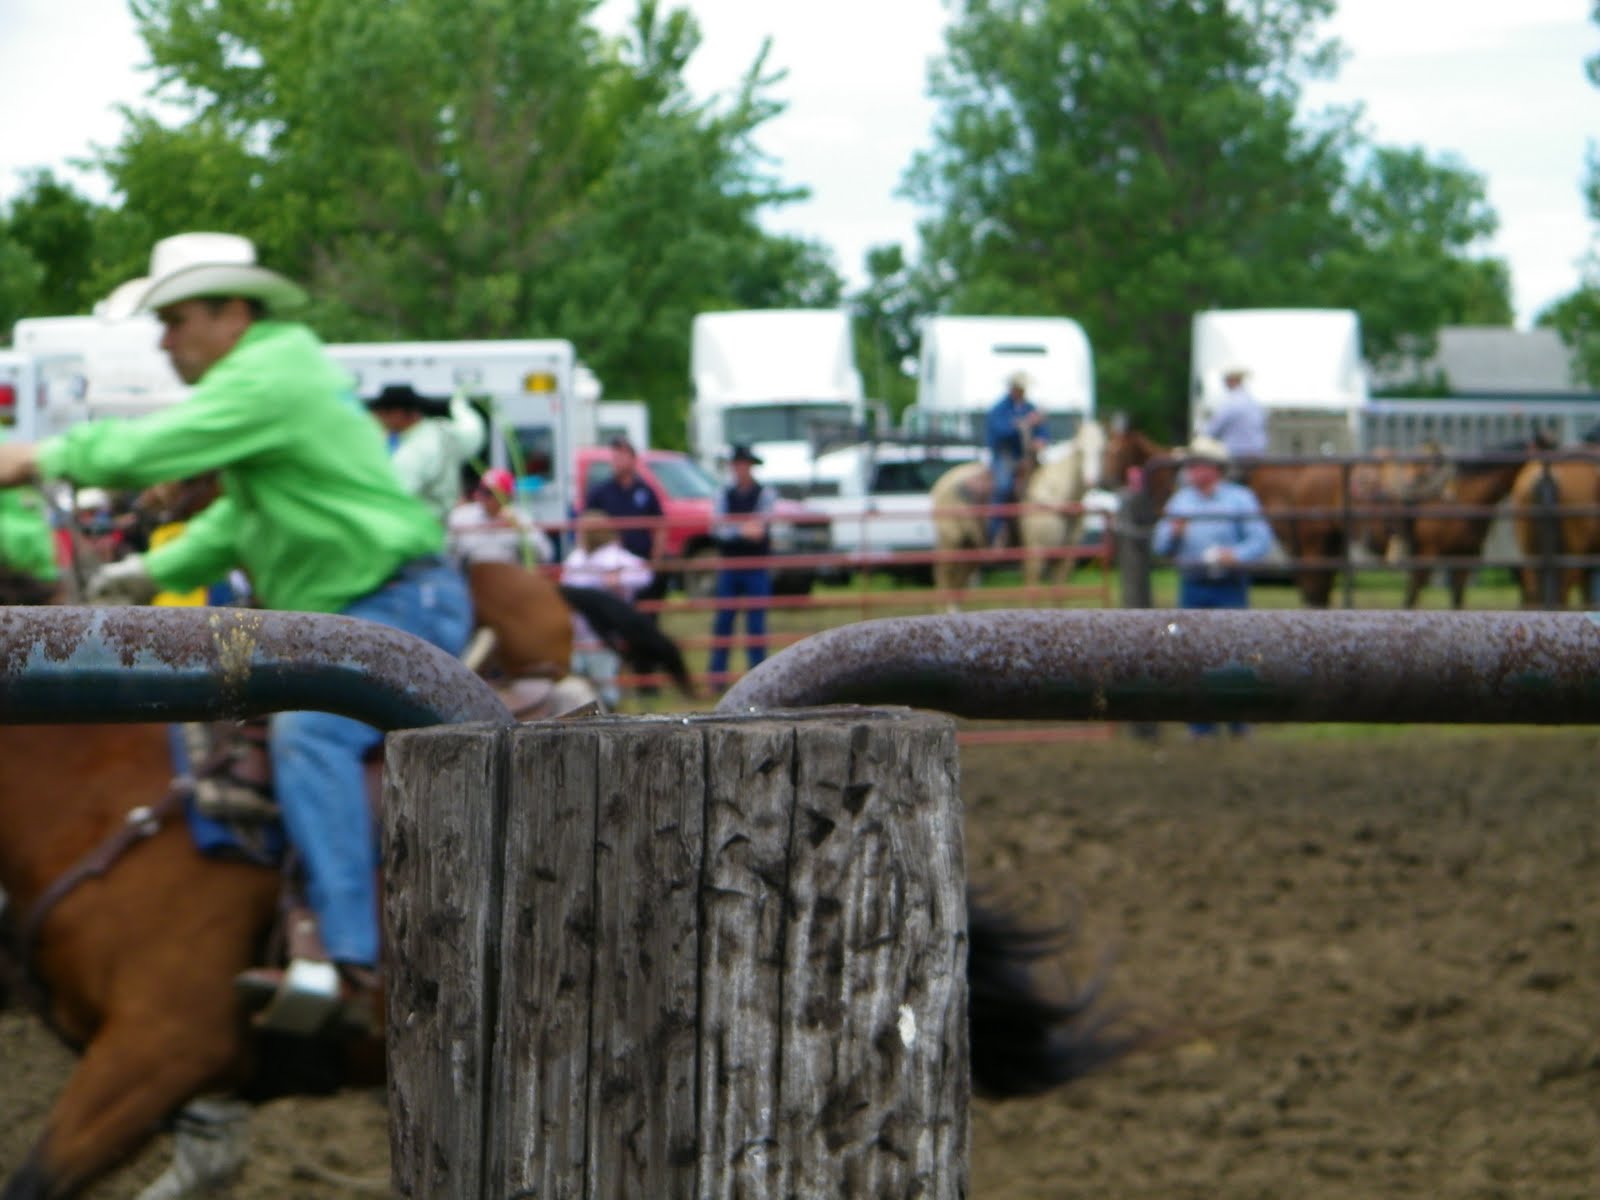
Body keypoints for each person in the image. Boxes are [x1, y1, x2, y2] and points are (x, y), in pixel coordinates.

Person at [0, 231, 473, 1027]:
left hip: (390, 602)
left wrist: (40, 456)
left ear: (230, 313)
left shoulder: (270, 374)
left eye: (177, 319)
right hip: (362, 600)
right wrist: (146, 574)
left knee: (309, 736)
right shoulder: (280, 371)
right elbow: (248, 516)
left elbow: (155, 447)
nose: (166, 340)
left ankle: (352, 960)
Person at [1152, 436, 1274, 738]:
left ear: (1215, 468)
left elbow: (1261, 539)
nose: (1191, 470)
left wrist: (1235, 555)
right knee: (1192, 652)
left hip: (1229, 583)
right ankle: (1200, 722)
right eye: (1190, 464)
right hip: (1193, 584)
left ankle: (1237, 719)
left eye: (1198, 463)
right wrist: (1174, 534)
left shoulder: (1239, 499)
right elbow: (1160, 544)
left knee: (1237, 650)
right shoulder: (1181, 501)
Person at [559, 509, 653, 708]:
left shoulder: (614, 556)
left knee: (604, 683)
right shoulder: (576, 558)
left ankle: (607, 713)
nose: (579, 535)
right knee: (577, 680)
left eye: (583, 531)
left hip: (603, 634)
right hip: (577, 633)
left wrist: (619, 579)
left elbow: (644, 574)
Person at [367, 383, 486, 521]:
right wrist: (459, 405)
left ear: (401, 413)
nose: (380, 417)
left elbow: (396, 496)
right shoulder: (443, 431)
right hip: (443, 523)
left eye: (385, 412)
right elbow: (474, 432)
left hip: (418, 527)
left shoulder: (412, 451)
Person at [707, 445, 776, 682]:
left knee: (756, 624)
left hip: (755, 565)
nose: (740, 468)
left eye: (744, 464)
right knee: (724, 621)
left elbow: (759, 528)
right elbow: (718, 528)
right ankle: (717, 677)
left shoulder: (764, 493)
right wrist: (743, 529)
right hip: (731, 565)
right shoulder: (724, 493)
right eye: (737, 464)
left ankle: (757, 675)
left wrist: (734, 529)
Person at [583, 435, 667, 608]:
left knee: (648, 601)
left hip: (638, 560)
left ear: (633, 459)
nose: (617, 461)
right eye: (614, 457)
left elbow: (660, 525)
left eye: (622, 456)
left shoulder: (645, 491)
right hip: (609, 563)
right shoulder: (600, 492)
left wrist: (655, 560)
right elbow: (585, 523)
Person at [984, 371, 1048, 546]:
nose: (1022, 391)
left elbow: (1042, 430)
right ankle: (995, 531)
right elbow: (1000, 433)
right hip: (1005, 455)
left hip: (1027, 456)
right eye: (1019, 388)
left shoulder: (1029, 407)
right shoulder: (1000, 409)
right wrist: (1025, 423)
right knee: (1003, 486)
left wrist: (1041, 439)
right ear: (1012, 388)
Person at [447, 467, 556, 568]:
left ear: (506, 496)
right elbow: (446, 552)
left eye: (488, 492)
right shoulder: (461, 516)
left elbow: (545, 555)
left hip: (507, 580)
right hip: (471, 580)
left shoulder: (520, 518)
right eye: (481, 489)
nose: (480, 495)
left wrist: (520, 531)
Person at [1202, 366, 1268, 461]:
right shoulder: (1253, 401)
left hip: (1236, 452)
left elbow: (1213, 429)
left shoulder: (1230, 402)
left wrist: (1203, 432)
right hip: (1257, 451)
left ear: (1232, 381)